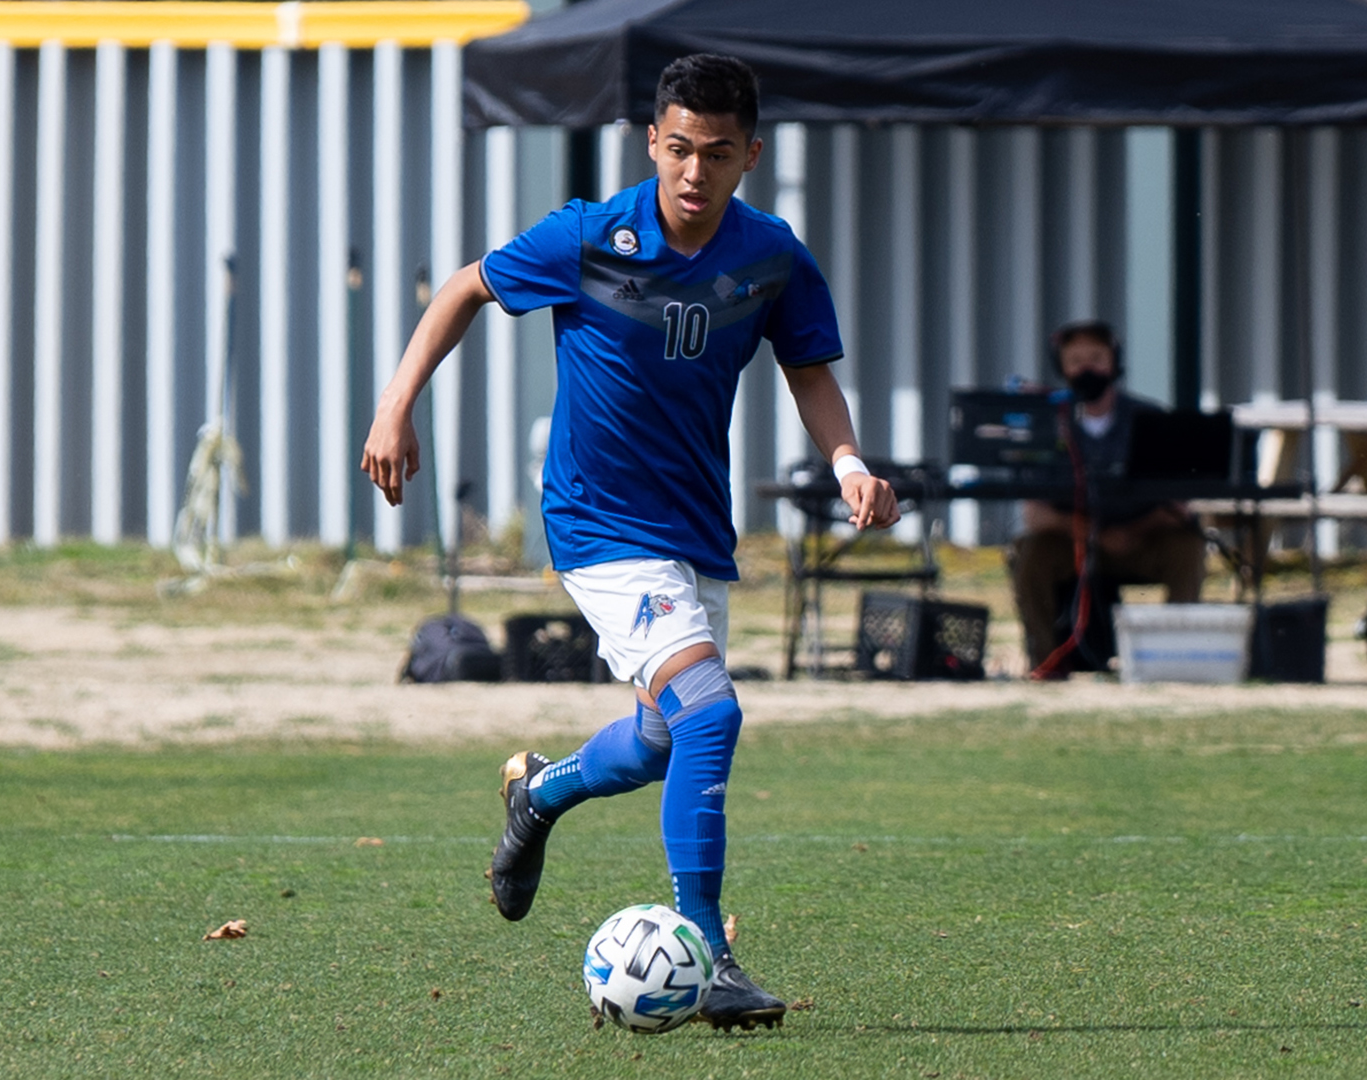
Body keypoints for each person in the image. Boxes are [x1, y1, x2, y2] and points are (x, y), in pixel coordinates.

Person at [360, 53, 898, 1030]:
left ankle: (543, 793)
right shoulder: (589, 237)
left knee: (661, 738)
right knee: (709, 714)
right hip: (600, 527)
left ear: (751, 158)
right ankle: (709, 954)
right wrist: (396, 407)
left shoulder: (771, 256)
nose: (696, 172)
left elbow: (810, 367)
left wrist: (851, 462)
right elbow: (465, 288)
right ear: (653, 142)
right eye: (681, 149)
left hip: (695, 532)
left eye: (719, 154)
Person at [1011, 319, 1206, 678]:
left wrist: (1135, 530)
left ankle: (1174, 660)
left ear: (1114, 362)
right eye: (1076, 359)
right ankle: (1046, 663)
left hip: (1142, 540)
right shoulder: (1048, 424)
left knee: (1187, 547)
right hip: (1073, 544)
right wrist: (1089, 533)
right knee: (1031, 552)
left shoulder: (1149, 418)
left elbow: (1178, 505)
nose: (1087, 368)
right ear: (1062, 367)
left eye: (1096, 358)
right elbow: (1034, 515)